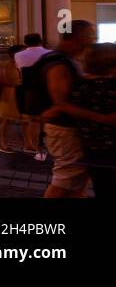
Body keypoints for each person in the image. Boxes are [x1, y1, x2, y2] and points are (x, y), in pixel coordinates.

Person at [44, 42, 116, 197]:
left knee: (97, 186)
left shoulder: (78, 85)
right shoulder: (111, 87)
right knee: (66, 180)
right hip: (111, 150)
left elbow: (62, 105)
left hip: (92, 149)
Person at [36, 21, 98, 197]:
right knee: (65, 179)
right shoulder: (58, 63)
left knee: (78, 179)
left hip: (66, 128)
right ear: (79, 37)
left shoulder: (64, 60)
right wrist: (101, 118)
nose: (93, 41)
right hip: (63, 130)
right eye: (91, 36)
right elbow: (61, 103)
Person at [16, 33, 49, 160]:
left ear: (25, 42)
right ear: (41, 40)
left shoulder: (18, 55)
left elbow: (19, 70)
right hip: (46, 89)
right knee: (45, 119)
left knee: (33, 120)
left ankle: (37, 149)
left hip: (29, 90)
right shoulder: (49, 53)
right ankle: (46, 146)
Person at [0, 46, 24, 153]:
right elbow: (1, 79)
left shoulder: (19, 65)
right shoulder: (5, 65)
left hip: (17, 94)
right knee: (5, 120)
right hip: (8, 95)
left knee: (16, 120)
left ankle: (15, 142)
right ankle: (3, 144)